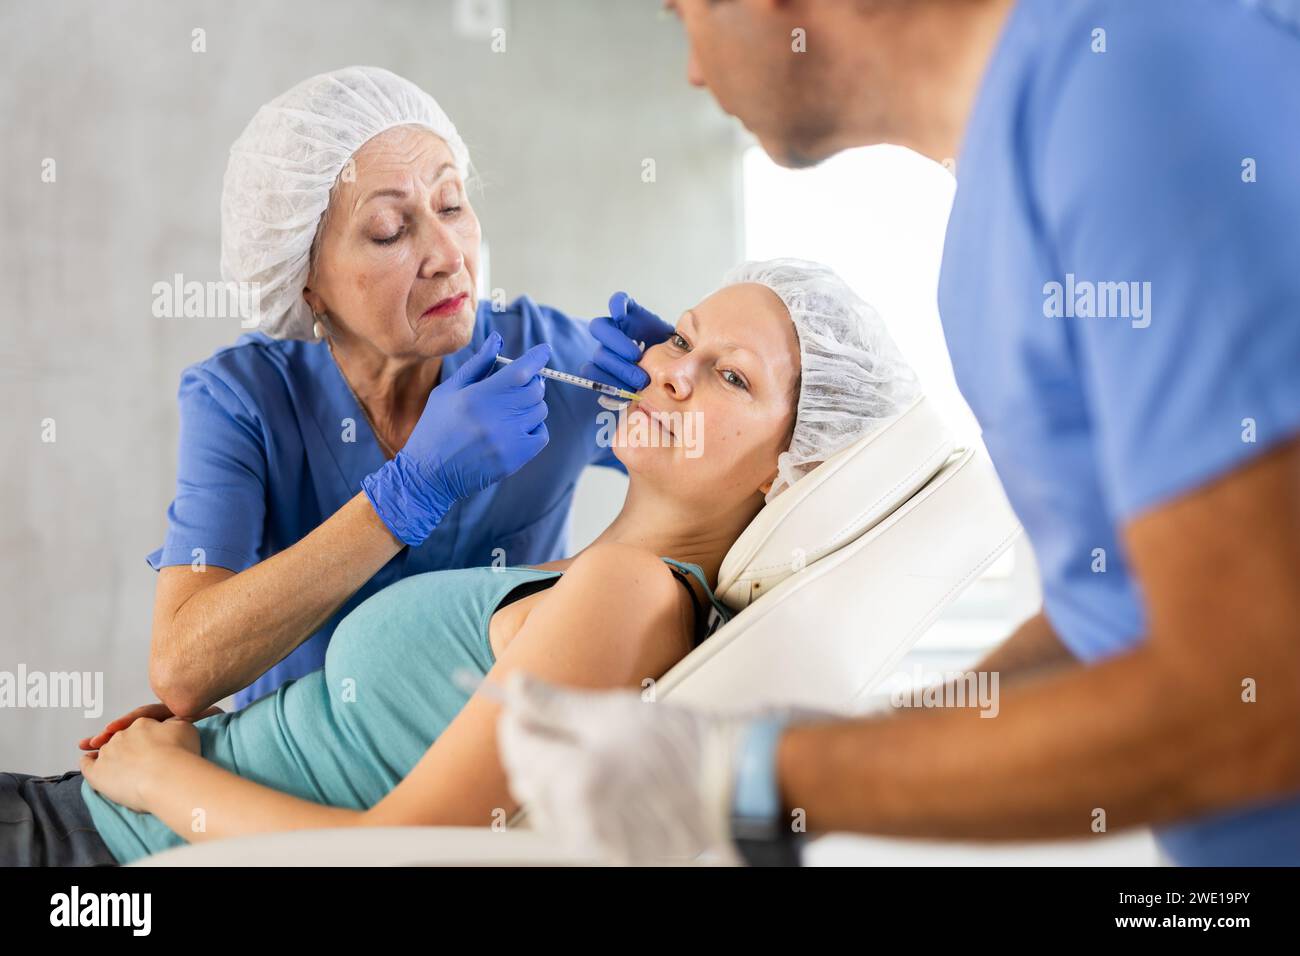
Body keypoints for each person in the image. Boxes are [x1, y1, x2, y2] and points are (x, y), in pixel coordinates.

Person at [497, 0, 1300, 865]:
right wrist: (836, 748)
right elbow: (1108, 622)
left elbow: (1262, 694)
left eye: (682, 12)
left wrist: (758, 778)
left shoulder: (1130, 92)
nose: (692, 67)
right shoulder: (983, 242)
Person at [0, 260, 918, 866]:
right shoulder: (594, 575)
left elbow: (397, 858)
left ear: (791, 472)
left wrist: (157, 774)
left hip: (103, 846)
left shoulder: (629, 591)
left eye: (732, 378)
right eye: (681, 337)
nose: (671, 370)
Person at [82, 66, 672, 733]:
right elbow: (185, 671)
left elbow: (740, 484)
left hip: (499, 771)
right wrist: (404, 497)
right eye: (391, 230)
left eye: (452, 206)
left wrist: (692, 383)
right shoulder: (246, 401)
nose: (449, 255)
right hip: (307, 780)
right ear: (307, 286)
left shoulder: (548, 363)